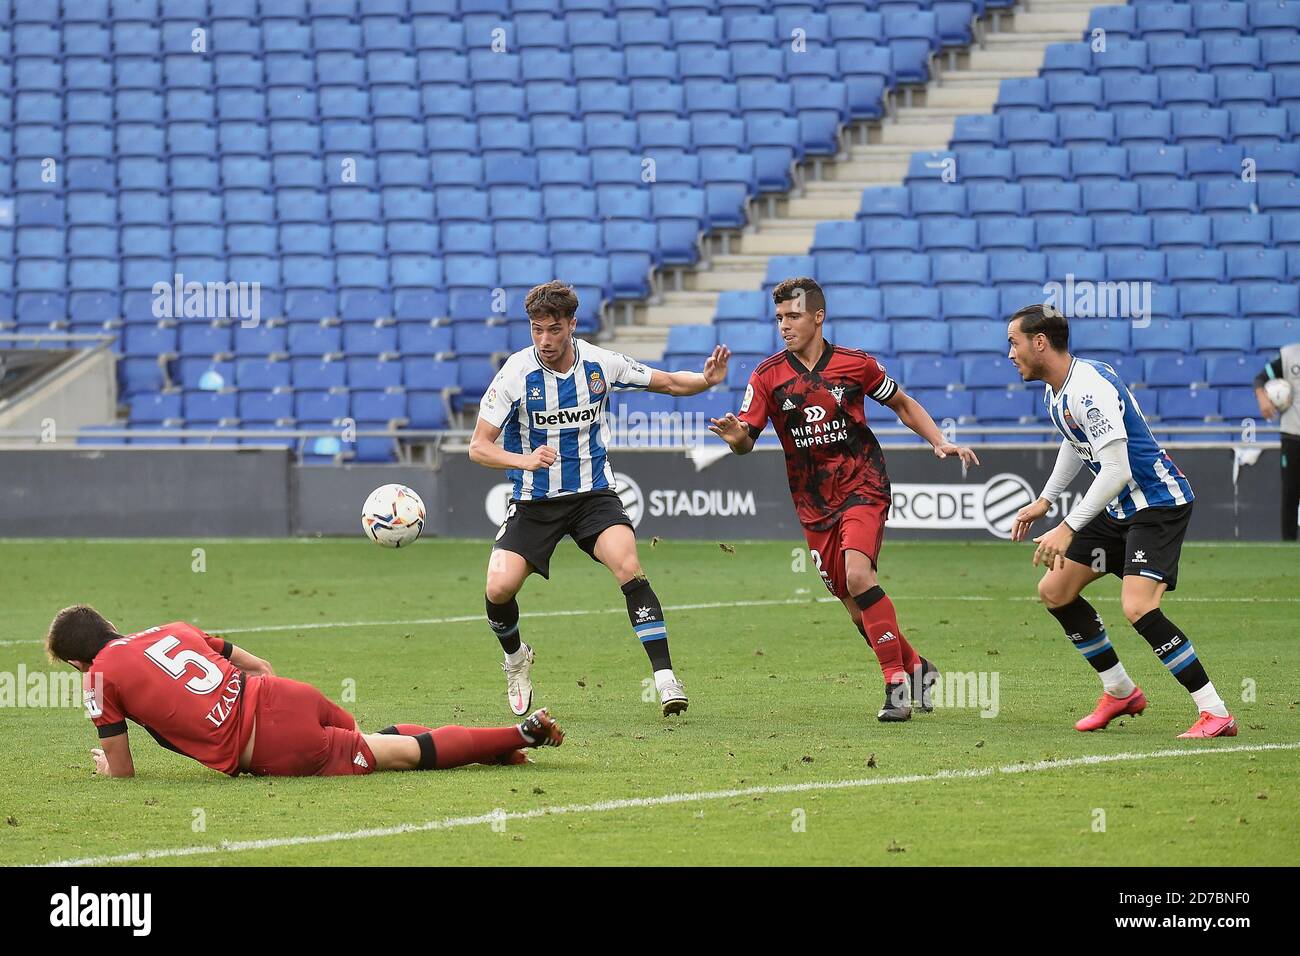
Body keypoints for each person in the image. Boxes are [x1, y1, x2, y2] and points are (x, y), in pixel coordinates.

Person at [707, 277, 979, 721]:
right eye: (779, 319)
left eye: (793, 316)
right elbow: (746, 440)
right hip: (813, 504)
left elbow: (902, 404)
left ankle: (895, 685)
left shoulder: (855, 365)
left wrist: (938, 440)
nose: (784, 326)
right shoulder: (767, 375)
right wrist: (735, 435)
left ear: (818, 316)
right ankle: (916, 668)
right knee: (856, 608)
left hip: (862, 485)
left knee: (858, 575)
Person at [469, 280, 731, 718]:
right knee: (498, 588)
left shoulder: (600, 363)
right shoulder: (515, 373)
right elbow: (479, 447)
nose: (545, 340)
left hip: (593, 495)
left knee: (628, 565)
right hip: (535, 500)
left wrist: (706, 380)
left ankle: (666, 680)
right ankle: (516, 658)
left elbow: (665, 382)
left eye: (554, 329)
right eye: (537, 330)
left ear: (572, 324)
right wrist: (525, 459)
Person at [1005, 303, 1237, 738]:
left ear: (1040, 343)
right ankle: (1120, 691)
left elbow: (1118, 470)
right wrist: (1045, 500)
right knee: (1055, 590)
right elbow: (1077, 443)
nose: (1011, 354)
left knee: (1137, 606)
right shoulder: (1057, 390)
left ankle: (1216, 712)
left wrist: (1068, 525)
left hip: (1155, 504)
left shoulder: (1087, 388)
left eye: (1014, 343)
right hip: (1119, 508)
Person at [46, 605, 563, 778]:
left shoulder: (96, 678)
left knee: (400, 755)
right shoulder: (172, 629)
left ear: (76, 661)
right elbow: (261, 664)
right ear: (109, 624)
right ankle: (501, 751)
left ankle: (520, 733)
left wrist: (105, 768)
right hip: (286, 696)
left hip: (270, 741)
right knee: (378, 744)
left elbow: (123, 768)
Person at [1253, 342, 1300, 541]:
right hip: (1292, 434)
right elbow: (1261, 378)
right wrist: (1262, 398)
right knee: (1291, 493)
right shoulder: (1290, 355)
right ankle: (1288, 546)